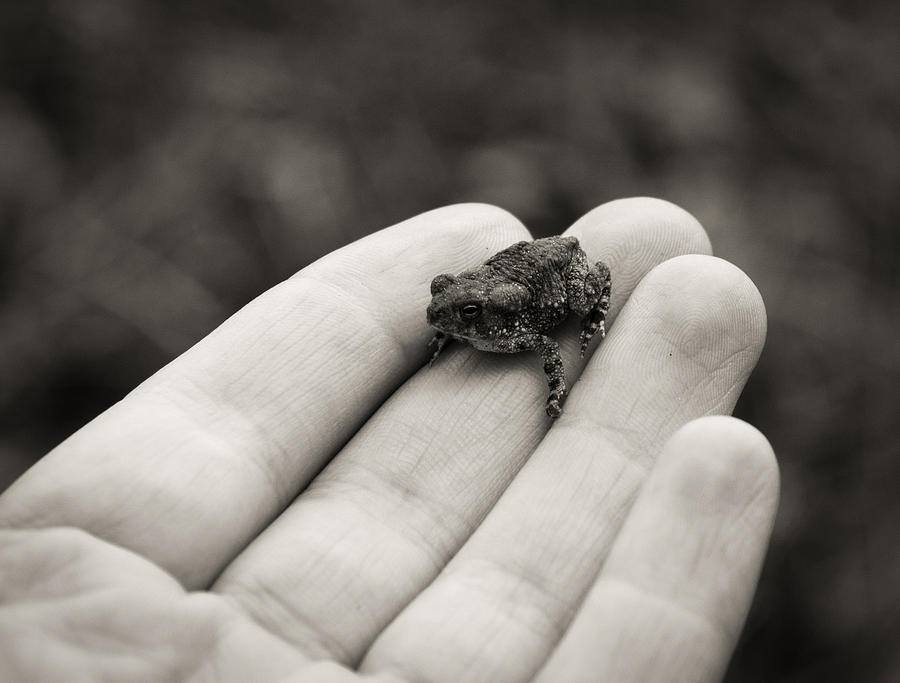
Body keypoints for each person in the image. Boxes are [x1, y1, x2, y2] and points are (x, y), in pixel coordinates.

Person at [0, 198, 779, 682]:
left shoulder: (515, 324)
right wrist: (448, 327)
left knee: (584, 286)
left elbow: (550, 344)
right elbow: (455, 308)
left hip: (549, 271)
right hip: (505, 273)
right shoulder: (468, 315)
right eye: (446, 308)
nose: (445, 319)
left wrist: (560, 386)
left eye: (461, 317)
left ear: (486, 319)